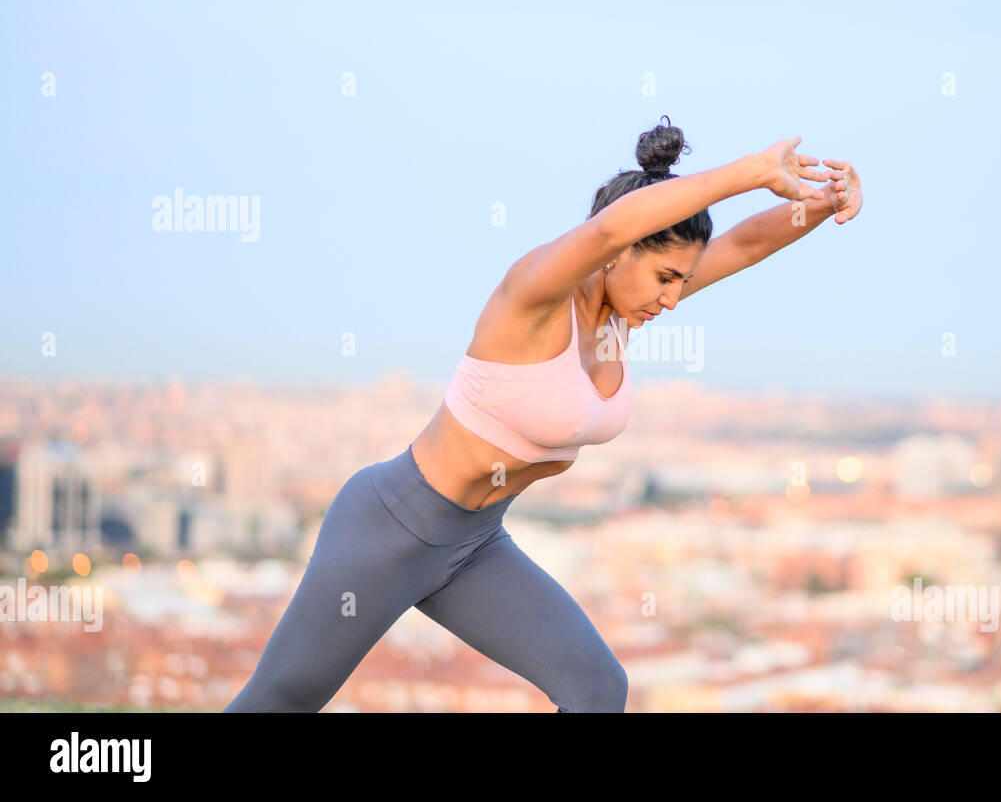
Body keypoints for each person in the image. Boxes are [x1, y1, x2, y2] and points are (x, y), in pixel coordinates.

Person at [223, 115, 862, 713]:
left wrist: (827, 200)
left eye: (681, 281)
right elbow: (609, 228)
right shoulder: (533, 296)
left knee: (596, 686)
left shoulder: (619, 316)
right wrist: (750, 172)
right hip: (390, 529)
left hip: (474, 545)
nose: (673, 298)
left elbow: (747, 243)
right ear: (619, 253)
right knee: (280, 702)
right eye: (666, 277)